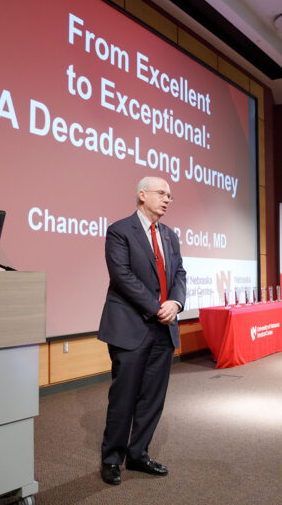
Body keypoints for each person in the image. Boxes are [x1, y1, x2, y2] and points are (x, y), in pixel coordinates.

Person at [98, 176, 187, 485]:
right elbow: (121, 276)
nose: (166, 199)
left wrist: (175, 303)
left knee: (152, 398)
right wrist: (156, 307)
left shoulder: (171, 236)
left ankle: (138, 455)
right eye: (161, 193)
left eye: (169, 196)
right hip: (130, 326)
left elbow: (179, 274)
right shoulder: (120, 230)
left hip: (164, 329)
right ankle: (112, 459)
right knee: (124, 396)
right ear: (142, 195)